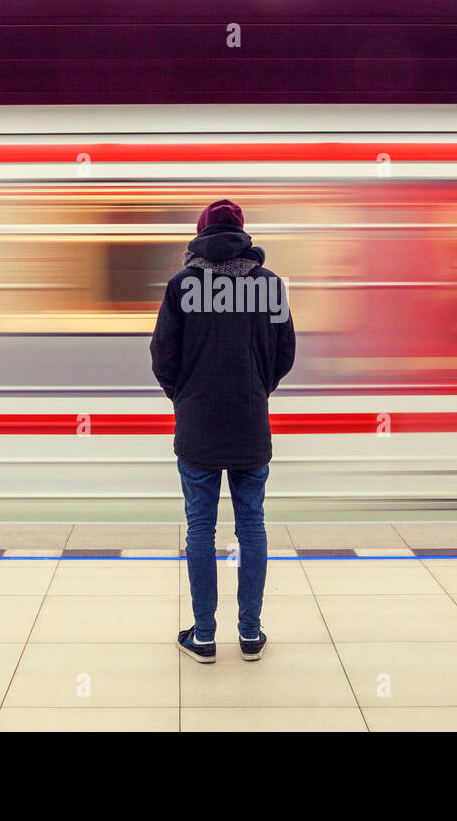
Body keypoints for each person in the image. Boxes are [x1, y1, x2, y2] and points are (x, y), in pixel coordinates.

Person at [150, 199, 295, 663]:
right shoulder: (269, 286)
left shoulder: (182, 285)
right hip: (251, 422)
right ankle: (250, 634)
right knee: (252, 526)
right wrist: (257, 388)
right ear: (243, 237)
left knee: (200, 529)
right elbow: (285, 352)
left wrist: (185, 397)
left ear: (200, 235)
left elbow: (162, 356)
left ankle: (206, 636)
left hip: (198, 428)